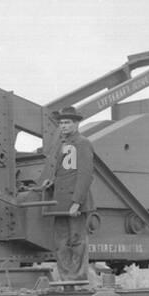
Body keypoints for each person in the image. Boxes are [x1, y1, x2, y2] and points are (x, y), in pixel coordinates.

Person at [39, 105, 94, 284]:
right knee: (60, 242)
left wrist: (77, 202)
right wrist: (50, 181)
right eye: (61, 123)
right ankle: (65, 279)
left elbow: (85, 174)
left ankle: (78, 279)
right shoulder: (60, 144)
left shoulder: (83, 143)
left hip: (74, 202)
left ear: (76, 124)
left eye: (67, 122)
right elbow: (60, 170)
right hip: (59, 202)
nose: (63, 126)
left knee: (77, 241)